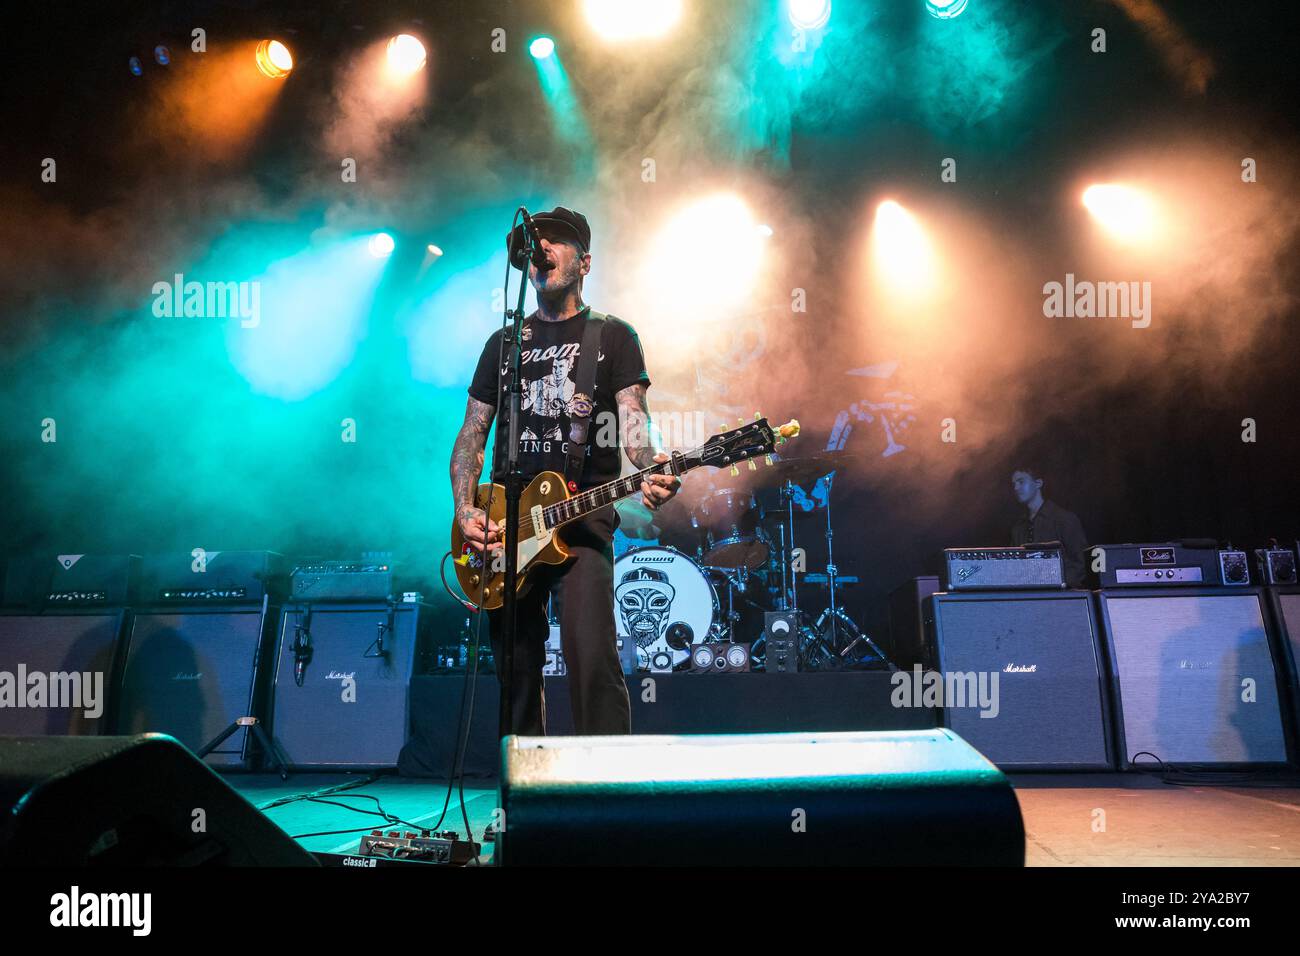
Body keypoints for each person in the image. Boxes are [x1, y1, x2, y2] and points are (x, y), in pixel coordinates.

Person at [449, 206, 681, 735]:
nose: (542, 249)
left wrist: (652, 465)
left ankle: (605, 805)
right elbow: (471, 436)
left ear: (585, 263)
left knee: (594, 667)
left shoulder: (614, 336)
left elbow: (635, 425)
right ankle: (524, 806)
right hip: (506, 532)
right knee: (516, 678)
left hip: (581, 527)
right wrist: (465, 509)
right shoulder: (503, 345)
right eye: (535, 242)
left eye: (556, 240)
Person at [1010, 466, 1088, 588]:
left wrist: (1057, 584)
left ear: (1038, 483)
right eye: (1014, 484)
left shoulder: (1064, 519)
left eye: (1021, 482)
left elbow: (1080, 564)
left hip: (1062, 599)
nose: (1016, 488)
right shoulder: (1018, 528)